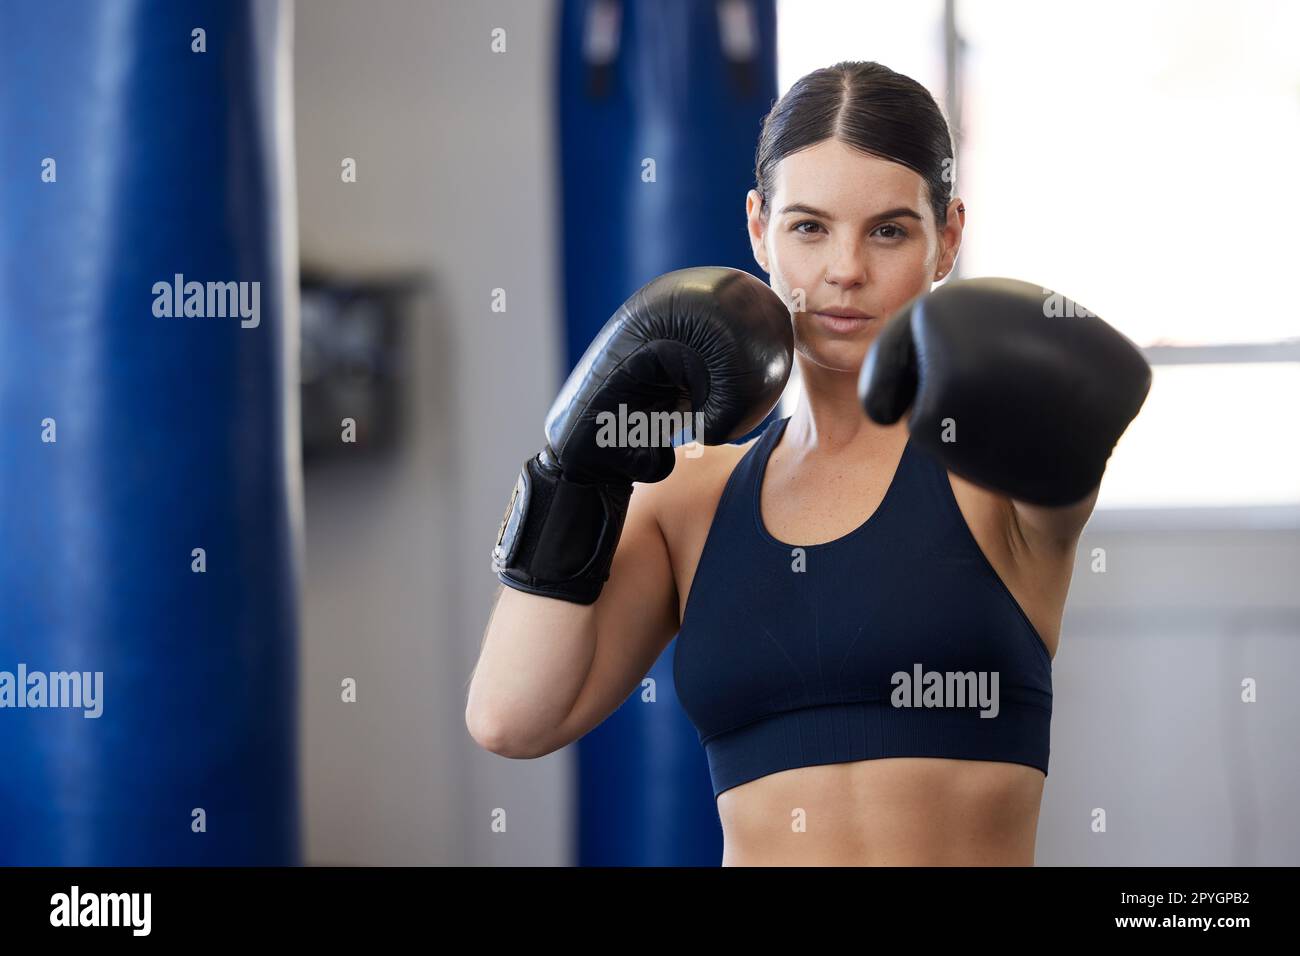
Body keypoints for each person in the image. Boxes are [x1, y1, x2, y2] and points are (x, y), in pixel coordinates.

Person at [466, 60, 1150, 866]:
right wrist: (574, 465)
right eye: (809, 227)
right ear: (758, 228)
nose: (845, 271)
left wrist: (995, 325)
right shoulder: (688, 498)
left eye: (889, 230)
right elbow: (509, 719)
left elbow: (1105, 385)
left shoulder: (989, 471)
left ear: (949, 238)